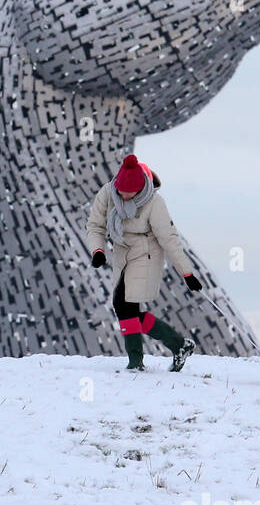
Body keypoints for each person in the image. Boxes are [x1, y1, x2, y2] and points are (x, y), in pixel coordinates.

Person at [86, 154, 202, 372]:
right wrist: (98, 250)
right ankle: (179, 345)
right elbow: (95, 225)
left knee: (124, 304)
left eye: (131, 192)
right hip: (122, 254)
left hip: (147, 254)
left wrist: (187, 273)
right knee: (125, 308)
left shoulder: (154, 202)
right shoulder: (108, 193)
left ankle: (136, 362)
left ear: (141, 189)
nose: (126, 196)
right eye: (122, 190)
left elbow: (169, 238)